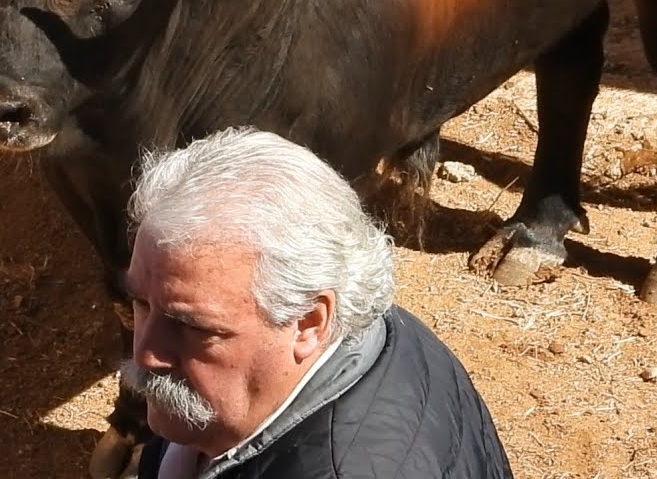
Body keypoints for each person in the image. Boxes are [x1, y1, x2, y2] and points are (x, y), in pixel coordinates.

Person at [120, 127, 514, 478]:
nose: (145, 352)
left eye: (191, 326)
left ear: (309, 321)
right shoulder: (377, 333)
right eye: (139, 303)